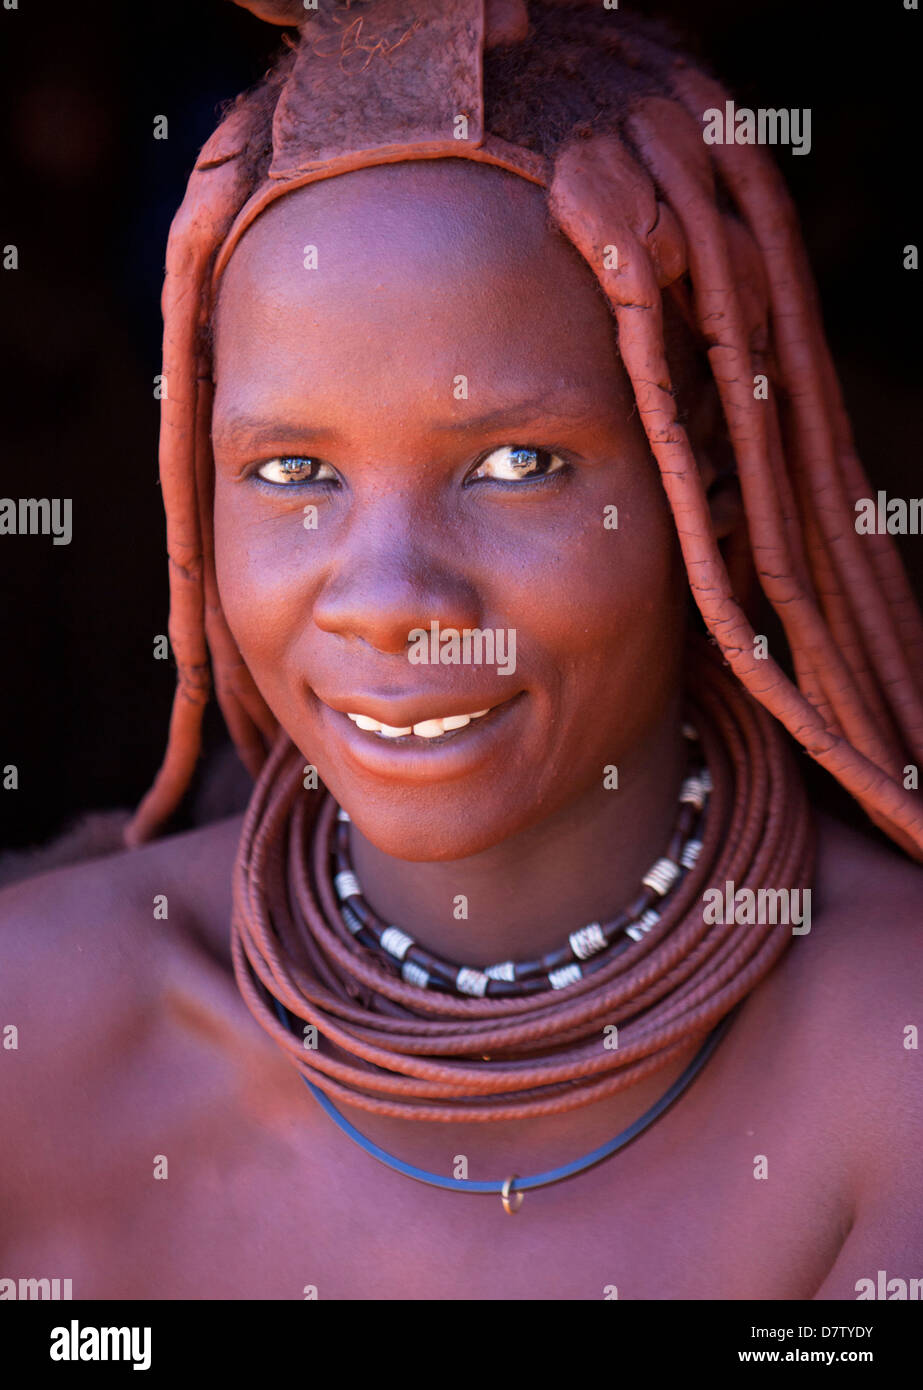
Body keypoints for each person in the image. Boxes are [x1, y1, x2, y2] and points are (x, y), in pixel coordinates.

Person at [1, 0, 921, 1301]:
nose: (388, 597)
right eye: (292, 470)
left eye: (515, 463)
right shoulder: (33, 1025)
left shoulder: (893, 1064)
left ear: (701, 473)